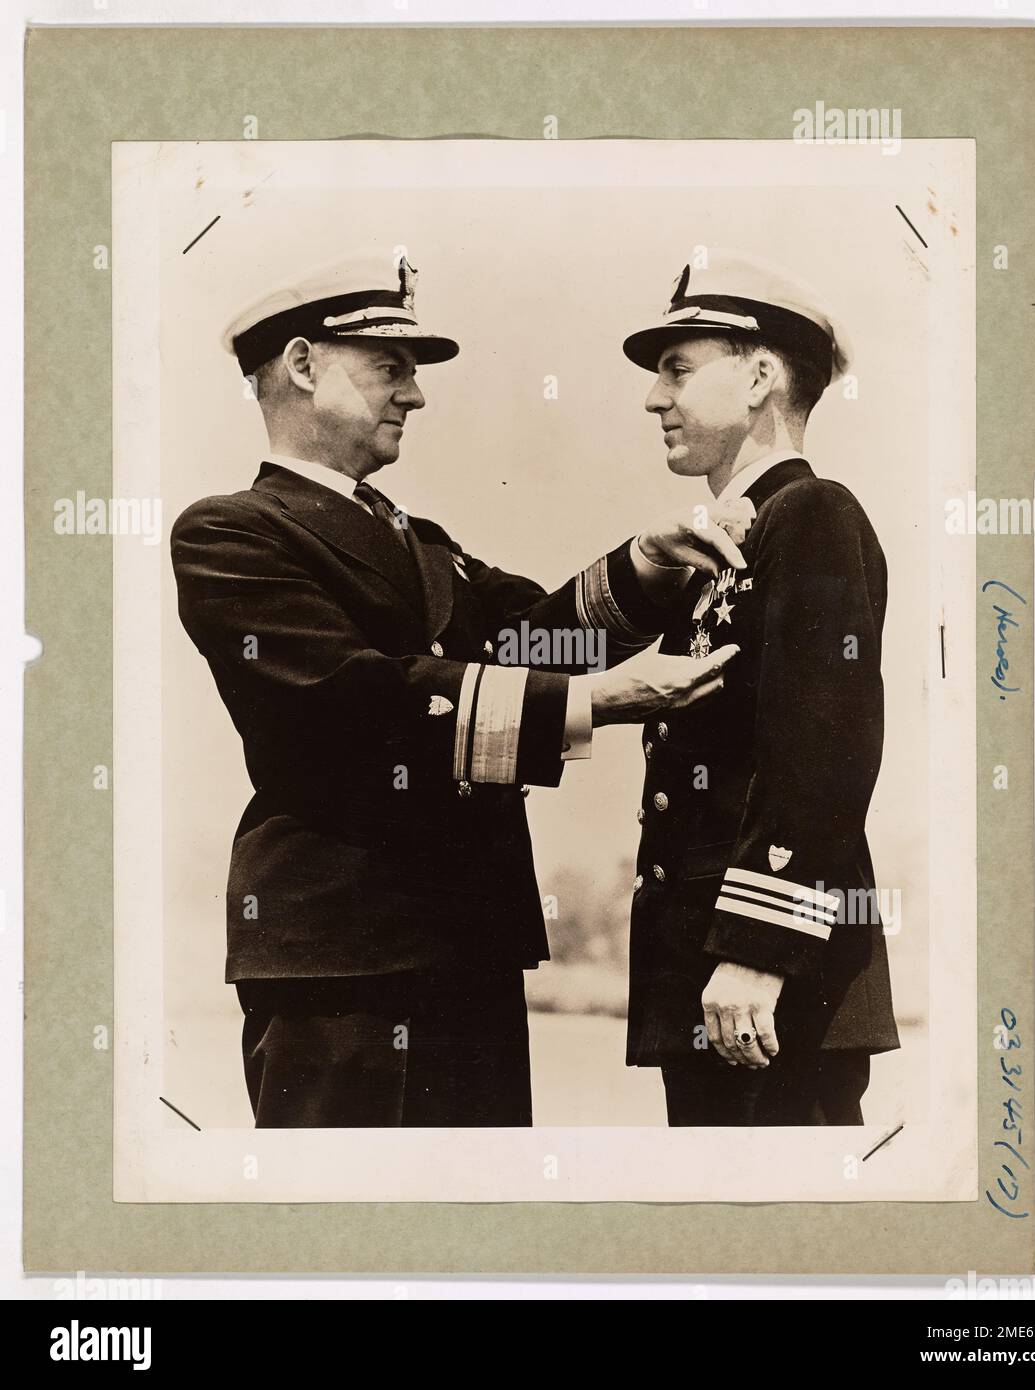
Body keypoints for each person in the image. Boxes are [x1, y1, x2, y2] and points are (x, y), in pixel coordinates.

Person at [171, 248, 742, 1128]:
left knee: (475, 1227)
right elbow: (355, 700)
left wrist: (647, 562)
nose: (415, 394)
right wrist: (603, 704)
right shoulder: (231, 533)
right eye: (390, 367)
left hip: (467, 943)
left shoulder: (418, 539)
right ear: (300, 364)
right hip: (340, 960)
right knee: (348, 1232)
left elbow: (535, 636)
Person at [620, 250, 900, 1126]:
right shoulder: (732, 543)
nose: (653, 398)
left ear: (760, 376)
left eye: (677, 369)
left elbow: (826, 746)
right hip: (717, 978)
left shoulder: (811, 514)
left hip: (768, 987)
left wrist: (758, 950)